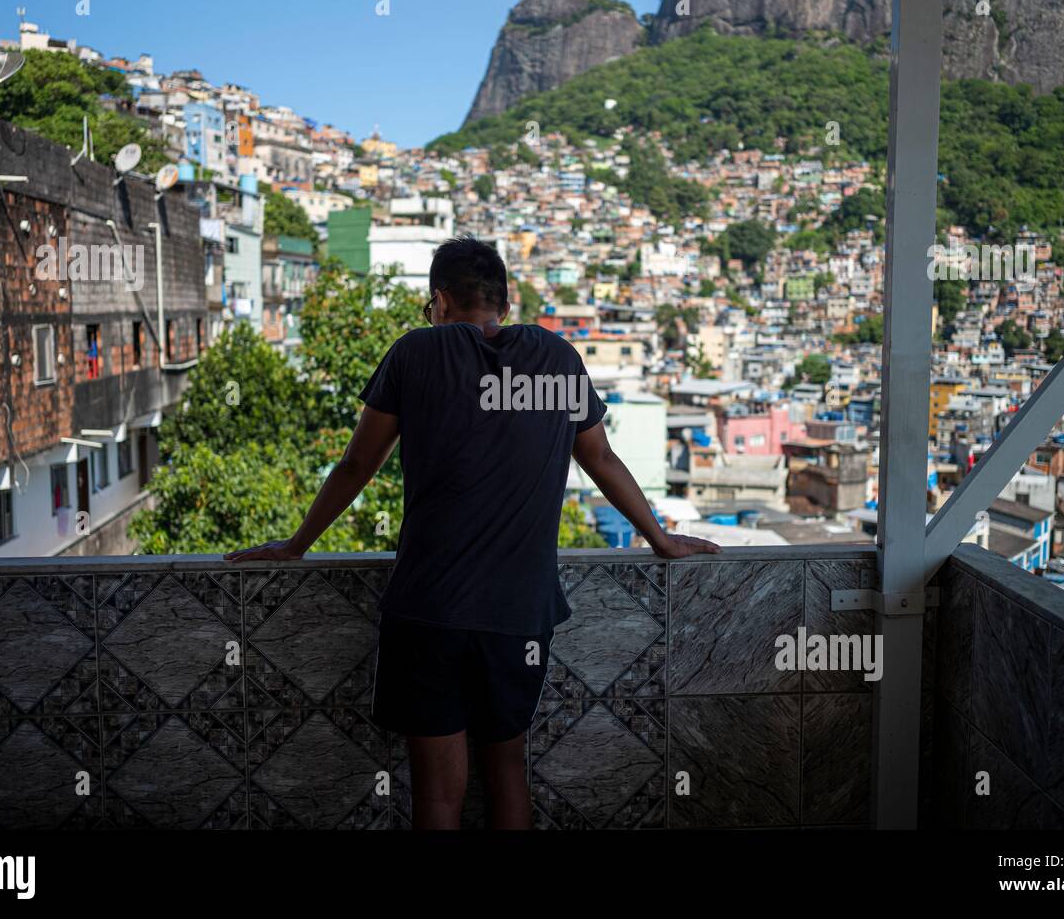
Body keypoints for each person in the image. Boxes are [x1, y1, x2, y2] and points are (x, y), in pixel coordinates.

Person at [226, 235, 720, 828]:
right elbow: (603, 461)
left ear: (439, 301)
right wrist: (660, 539)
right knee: (508, 771)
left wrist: (295, 545)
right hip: (520, 613)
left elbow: (358, 464)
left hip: (428, 607)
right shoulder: (559, 359)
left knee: (439, 795)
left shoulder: (415, 354)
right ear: (503, 304)